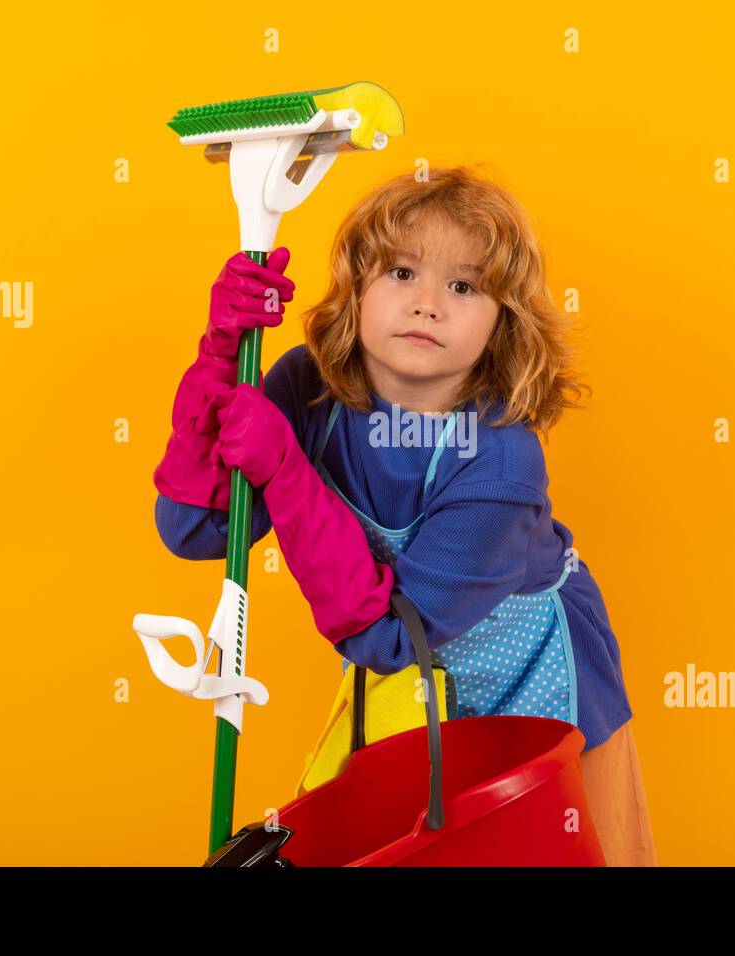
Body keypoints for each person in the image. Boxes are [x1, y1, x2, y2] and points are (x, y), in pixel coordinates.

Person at [152, 166, 656, 866]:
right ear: (356, 289)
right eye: (400, 273)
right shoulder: (308, 387)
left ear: (501, 322)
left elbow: (391, 635)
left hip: (530, 679)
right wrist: (219, 357)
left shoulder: (501, 464)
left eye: (462, 286)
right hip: (414, 684)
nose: (427, 305)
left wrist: (286, 470)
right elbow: (195, 528)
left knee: (533, 847)